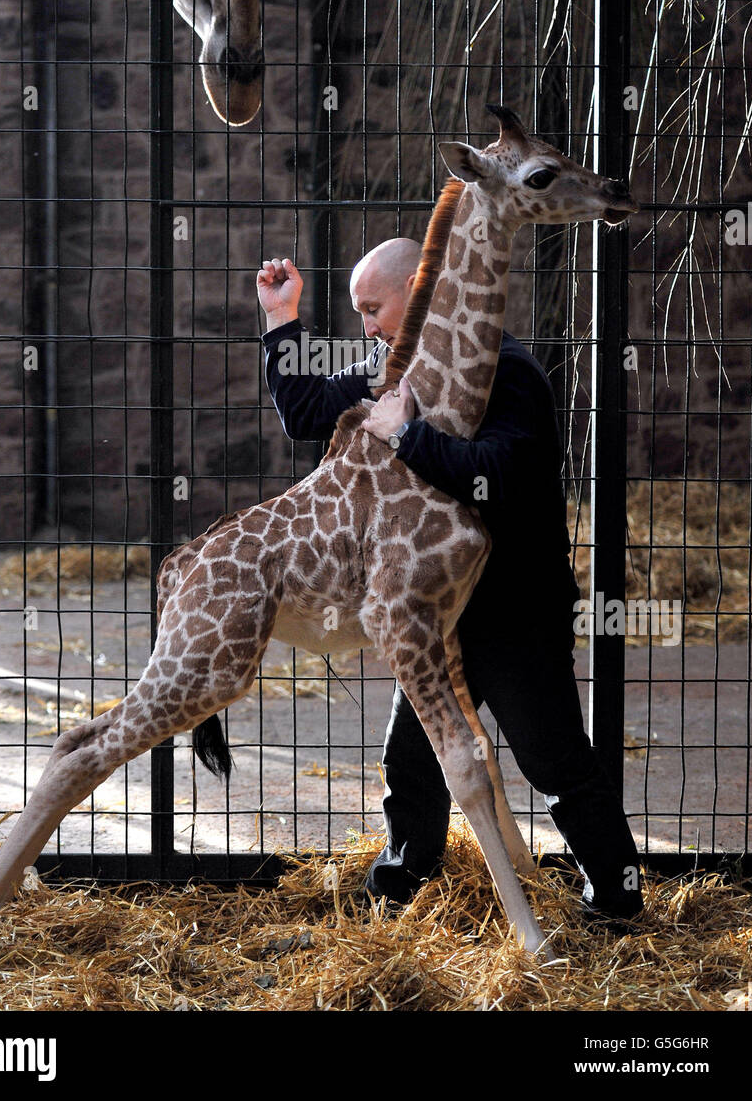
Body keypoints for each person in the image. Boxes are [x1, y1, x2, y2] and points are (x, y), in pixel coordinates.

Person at [256, 242, 645, 928]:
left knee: (553, 761)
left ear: (418, 287)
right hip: (439, 606)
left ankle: (617, 904)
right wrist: (281, 321)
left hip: (511, 603)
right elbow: (306, 412)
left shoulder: (505, 369)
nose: (369, 327)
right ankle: (400, 889)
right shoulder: (393, 366)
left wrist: (406, 437)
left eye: (374, 309)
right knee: (411, 758)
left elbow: (499, 473)